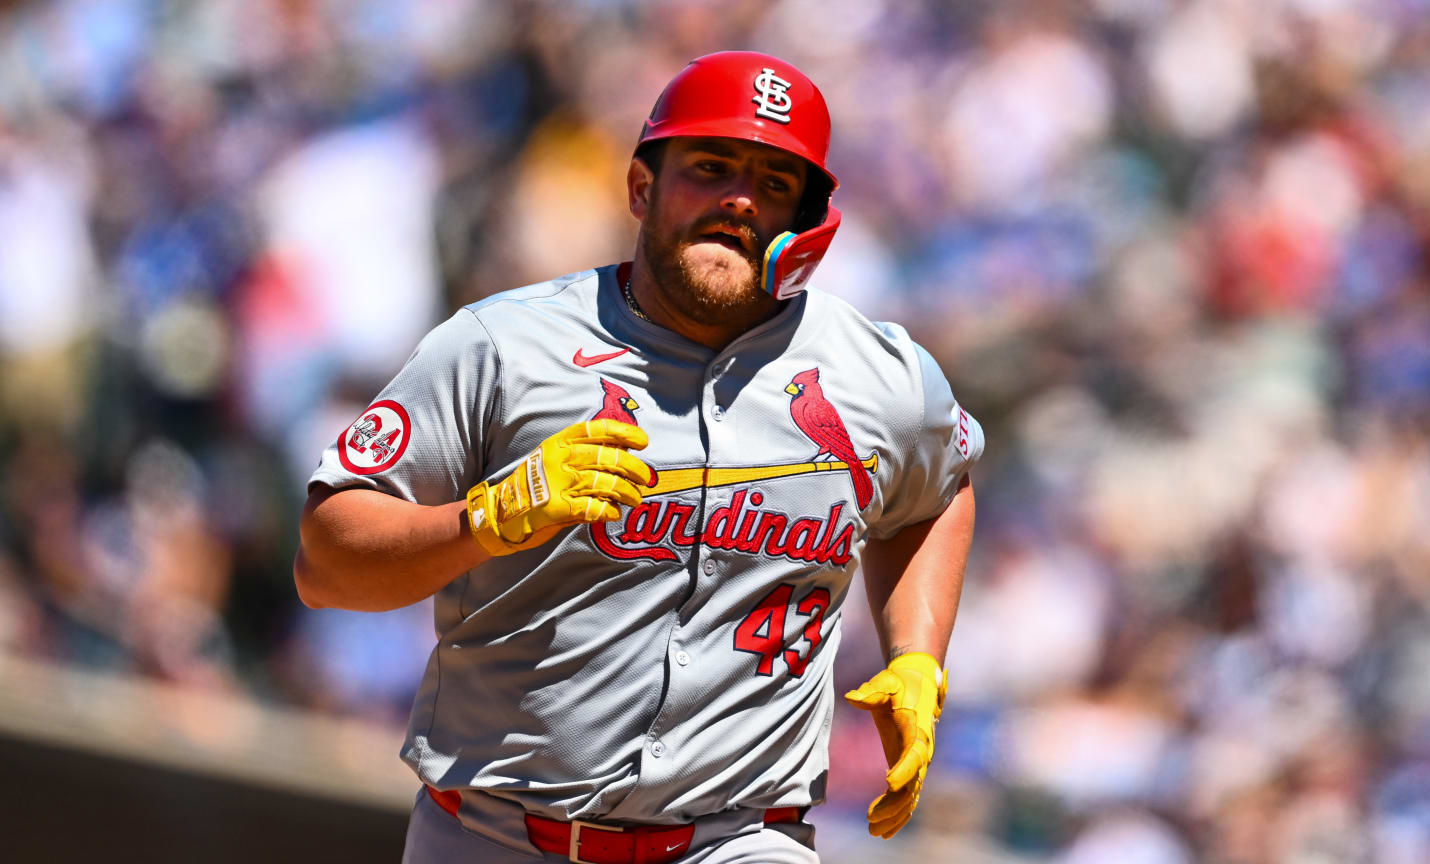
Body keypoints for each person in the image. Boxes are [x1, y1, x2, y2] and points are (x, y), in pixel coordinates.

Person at [293, 50, 983, 864]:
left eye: (773, 183)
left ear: (809, 218)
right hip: (491, 831)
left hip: (737, 839)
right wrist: (482, 522)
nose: (739, 202)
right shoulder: (503, 348)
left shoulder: (879, 376)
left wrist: (916, 658)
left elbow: (940, 489)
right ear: (640, 188)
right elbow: (327, 564)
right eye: (711, 167)